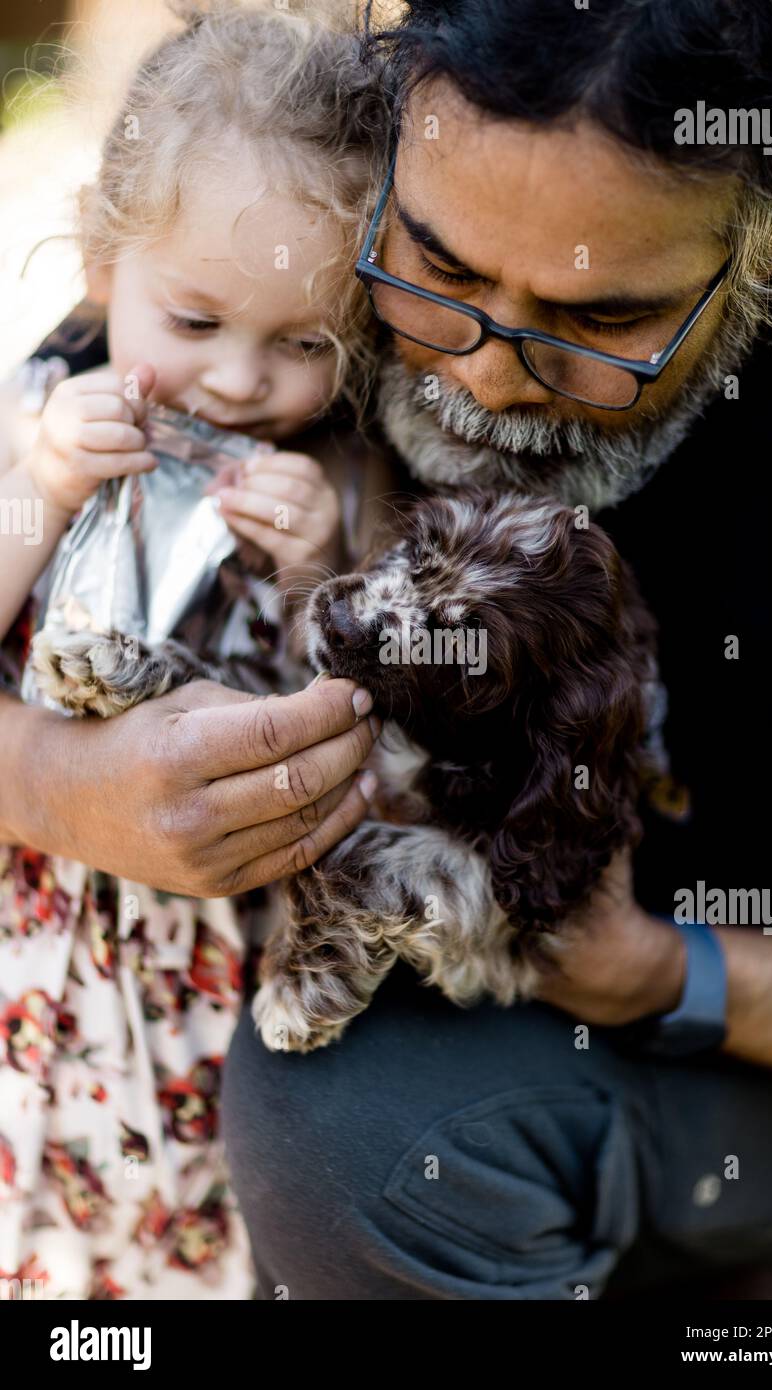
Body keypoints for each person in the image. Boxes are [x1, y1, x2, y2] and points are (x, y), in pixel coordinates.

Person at [221, 0, 772, 1299]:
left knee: (363, 1129)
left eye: (600, 320)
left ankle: (731, 1249)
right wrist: (69, 777)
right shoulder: (288, 193)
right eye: (441, 272)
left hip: (754, 1042)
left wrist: (651, 973)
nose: (491, 376)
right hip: (340, 932)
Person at [0, 2, 391, 1299]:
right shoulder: (44, 419)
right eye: (195, 320)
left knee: (193, 1213)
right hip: (40, 933)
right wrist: (43, 493)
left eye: (301, 344)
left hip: (205, 951)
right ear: (106, 265)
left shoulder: (327, 475)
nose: (235, 383)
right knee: (45, 1195)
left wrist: (316, 565)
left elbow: (350, 701)